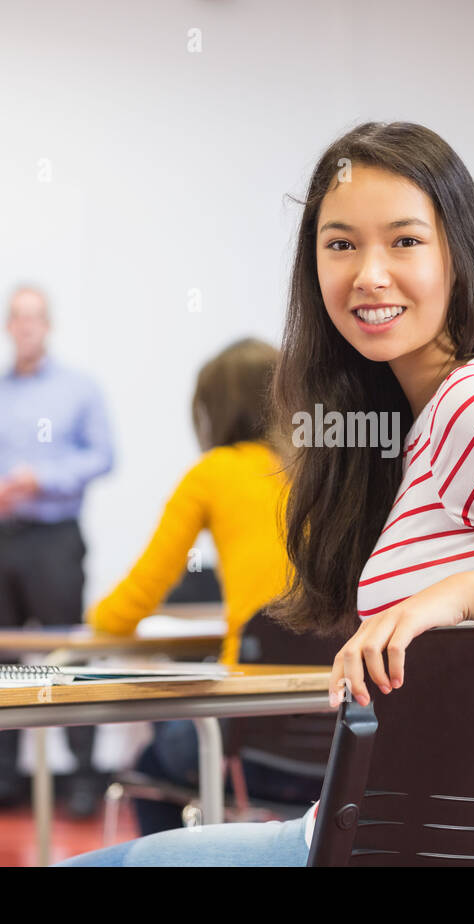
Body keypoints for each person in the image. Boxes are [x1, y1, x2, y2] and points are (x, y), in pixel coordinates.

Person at [57, 121, 474, 866]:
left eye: (404, 241)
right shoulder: (412, 429)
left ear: (458, 260)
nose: (369, 273)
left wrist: (465, 595)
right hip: (382, 834)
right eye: (341, 244)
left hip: (395, 845)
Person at [89, 337, 320, 833]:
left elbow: (137, 596)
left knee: (153, 761)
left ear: (210, 411)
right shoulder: (325, 472)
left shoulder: (214, 472)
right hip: (347, 742)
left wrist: (98, 621)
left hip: (245, 741)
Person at [0, 286, 114, 817]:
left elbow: (103, 455)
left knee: (67, 653)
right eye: (17, 318)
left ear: (48, 325)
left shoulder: (79, 388)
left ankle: (85, 778)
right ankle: (3, 778)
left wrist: (37, 479)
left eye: (34, 318)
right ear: (7, 327)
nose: (26, 327)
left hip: (53, 537)